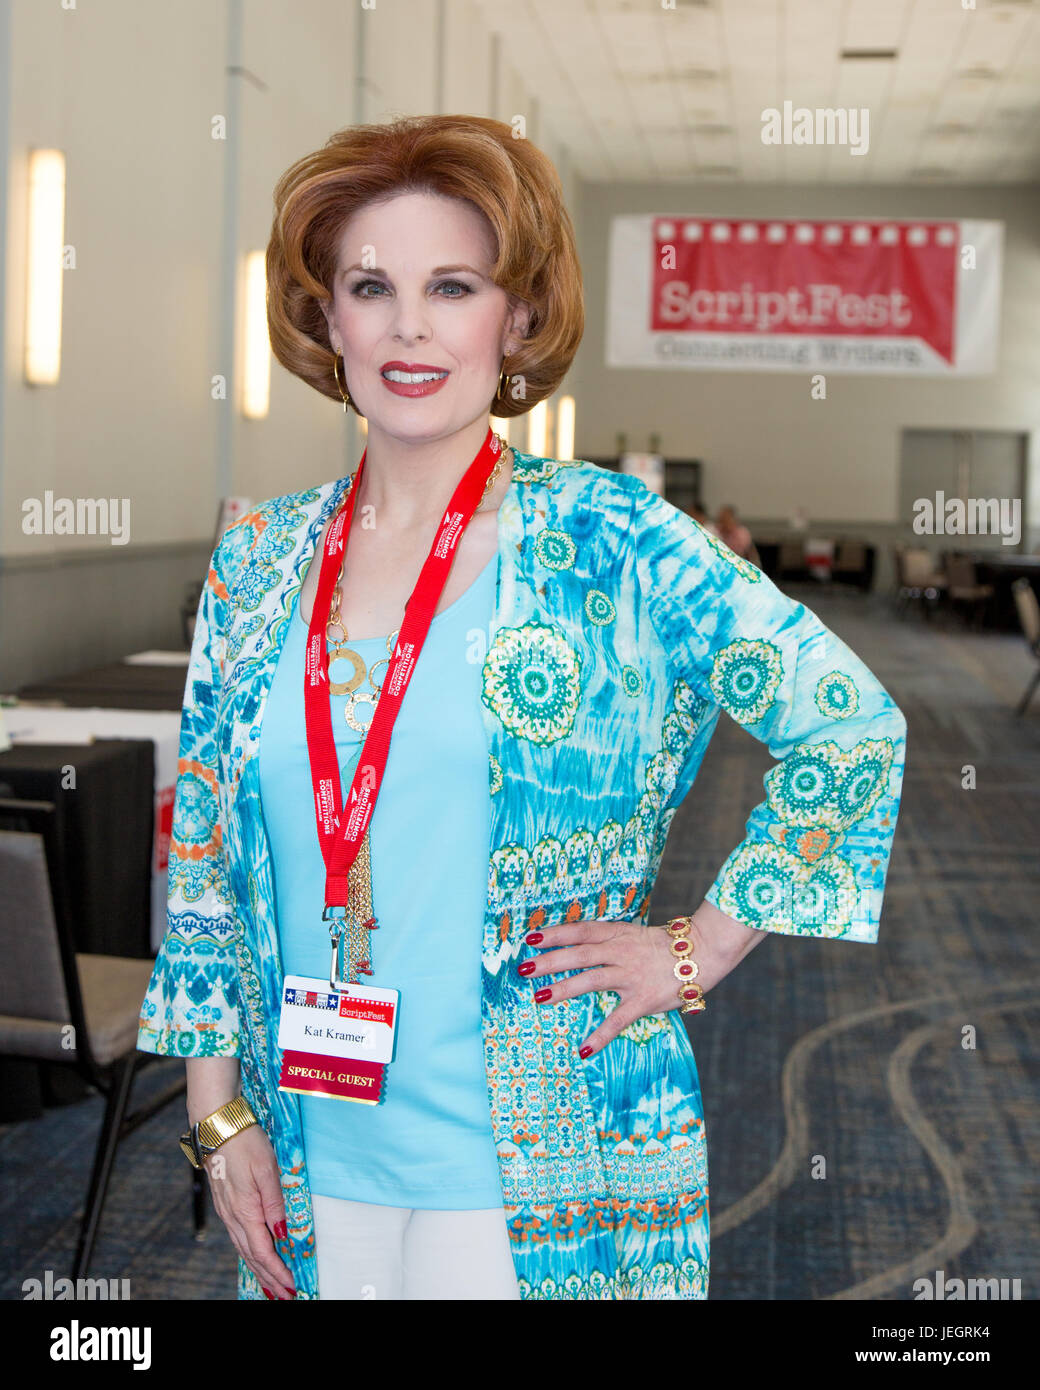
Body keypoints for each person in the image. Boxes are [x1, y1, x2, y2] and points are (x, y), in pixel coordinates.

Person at [137, 114, 907, 1302]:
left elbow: (848, 725)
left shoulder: (611, 540)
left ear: (518, 320)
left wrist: (694, 950)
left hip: (543, 1158)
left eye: (451, 286)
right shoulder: (258, 562)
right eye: (369, 285)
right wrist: (215, 1107)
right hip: (303, 1148)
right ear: (324, 317)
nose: (407, 325)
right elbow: (201, 859)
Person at [715, 503, 762, 568]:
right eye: (720, 519)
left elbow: (741, 554)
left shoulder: (742, 533)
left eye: (724, 519)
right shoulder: (717, 531)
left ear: (732, 519)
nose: (721, 523)